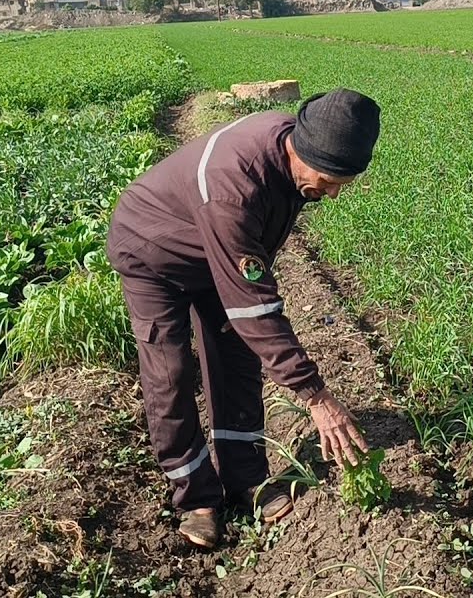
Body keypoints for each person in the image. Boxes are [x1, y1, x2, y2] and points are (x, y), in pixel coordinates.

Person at [106, 88, 380, 548]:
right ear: (301, 150)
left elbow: (246, 283)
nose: (332, 194)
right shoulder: (234, 188)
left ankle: (246, 480)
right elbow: (253, 305)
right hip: (152, 252)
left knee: (236, 358)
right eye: (328, 180)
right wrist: (315, 396)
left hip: (213, 251)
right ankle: (196, 497)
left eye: (342, 184)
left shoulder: (294, 161)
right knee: (171, 373)